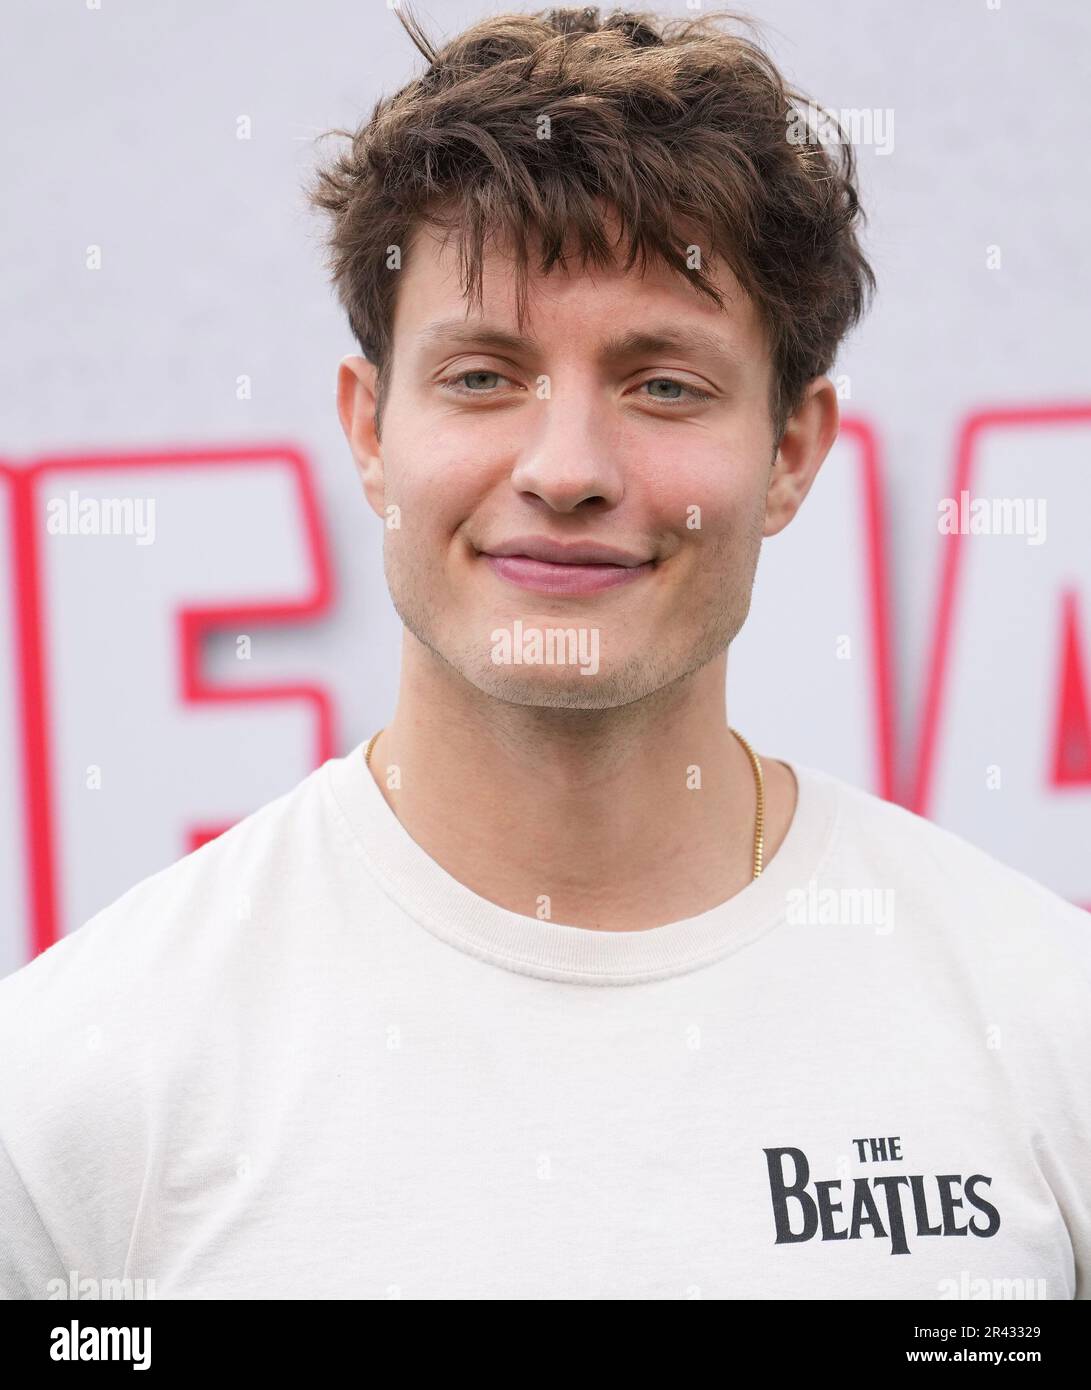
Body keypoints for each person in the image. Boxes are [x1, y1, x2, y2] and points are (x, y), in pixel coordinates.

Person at [1, 5, 1087, 1302]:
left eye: (663, 384)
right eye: (481, 375)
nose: (566, 469)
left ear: (794, 450)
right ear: (367, 428)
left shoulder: (1046, 1028)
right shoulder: (71, 1091)